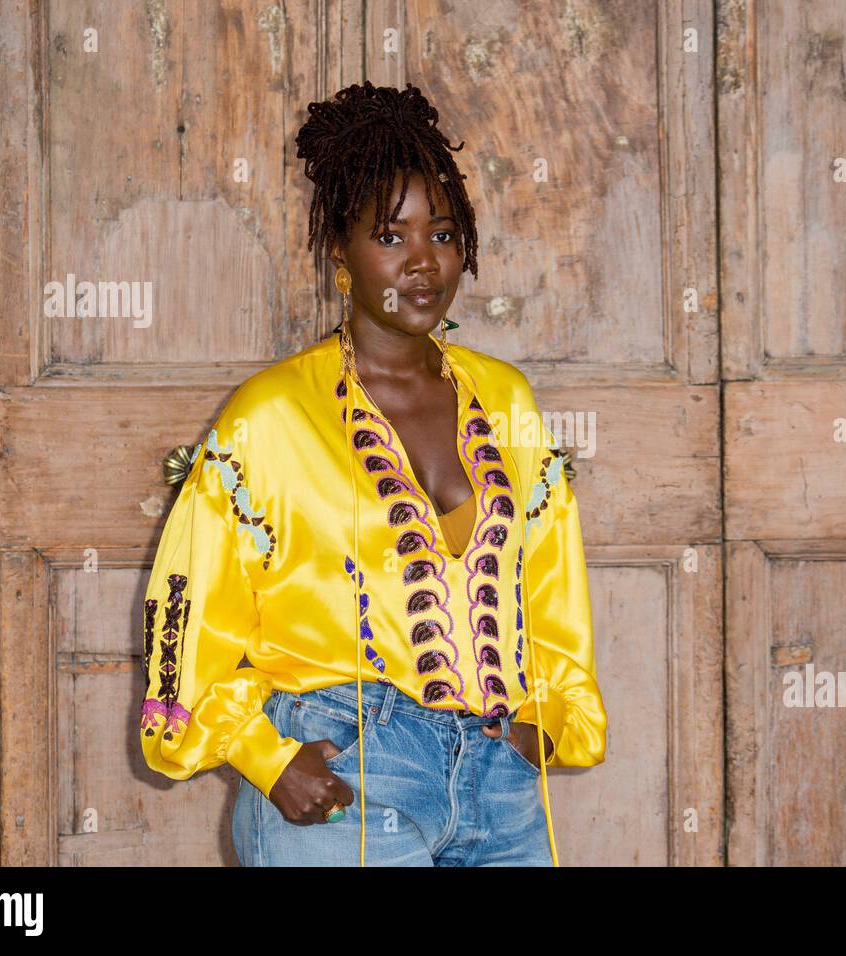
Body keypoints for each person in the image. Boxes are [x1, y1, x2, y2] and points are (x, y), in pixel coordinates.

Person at [138, 81, 607, 866]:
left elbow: (552, 578)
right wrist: (261, 753)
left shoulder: (506, 398)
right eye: (391, 237)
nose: (425, 262)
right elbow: (185, 605)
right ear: (341, 256)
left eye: (445, 233)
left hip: (500, 780)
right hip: (345, 772)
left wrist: (548, 720)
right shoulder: (270, 415)